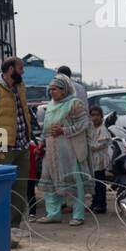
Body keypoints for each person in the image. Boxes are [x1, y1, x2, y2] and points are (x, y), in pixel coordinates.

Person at [0, 56, 33, 227]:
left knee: (20, 189)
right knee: (1, 188)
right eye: (20, 68)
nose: (23, 71)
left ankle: (14, 225)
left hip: (22, 145)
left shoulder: (20, 87)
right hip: (2, 144)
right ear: (11, 70)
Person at [36, 75, 90, 225]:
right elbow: (46, 128)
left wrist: (64, 130)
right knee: (49, 182)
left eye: (55, 89)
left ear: (64, 90)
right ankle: (53, 213)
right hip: (51, 151)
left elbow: (85, 123)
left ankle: (78, 215)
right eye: (50, 89)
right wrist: (41, 143)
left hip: (69, 150)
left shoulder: (75, 104)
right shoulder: (51, 105)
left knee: (74, 181)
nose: (51, 92)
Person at [88, 105, 111, 214]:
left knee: (99, 184)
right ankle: (94, 203)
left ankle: (101, 205)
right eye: (92, 115)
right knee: (93, 183)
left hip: (99, 161)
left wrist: (86, 146)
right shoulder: (91, 129)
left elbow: (99, 145)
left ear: (101, 117)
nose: (95, 118)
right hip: (92, 161)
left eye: (97, 115)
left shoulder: (103, 130)